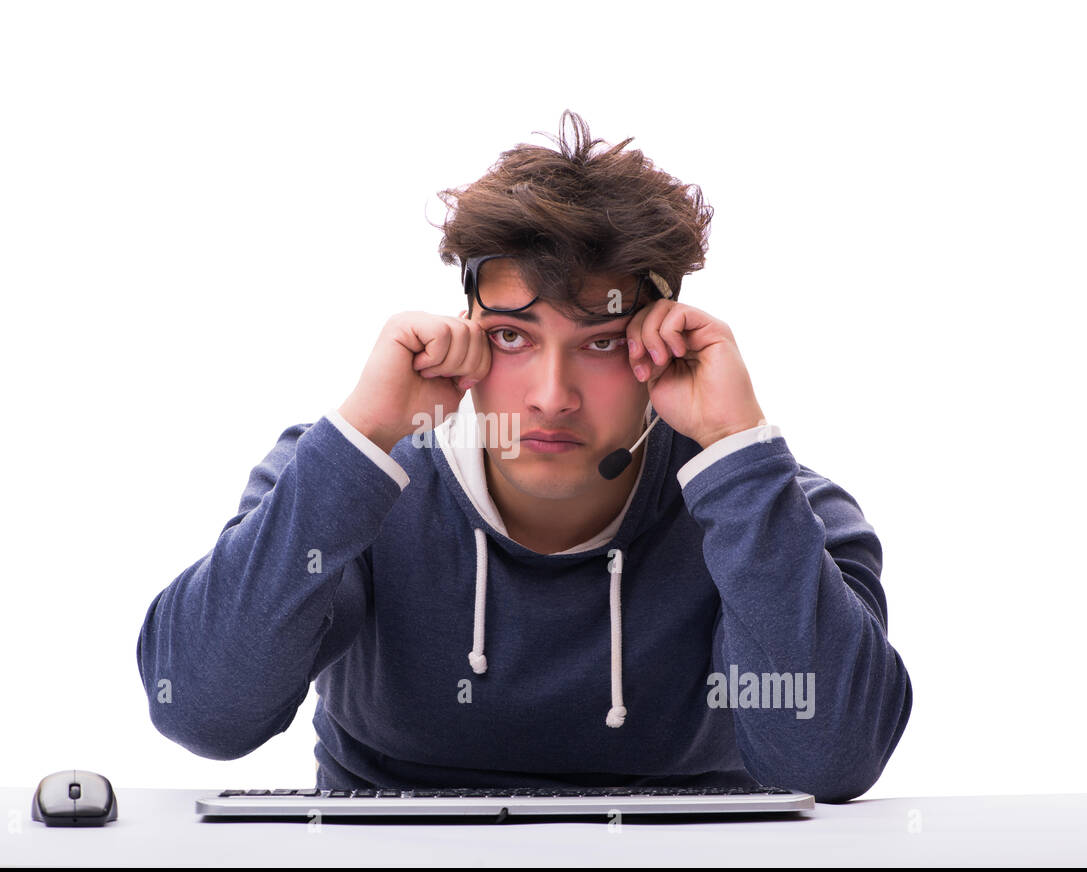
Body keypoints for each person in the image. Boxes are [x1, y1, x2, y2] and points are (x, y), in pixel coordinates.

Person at [135, 111, 912, 803]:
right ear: (466, 329)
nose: (552, 395)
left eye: (601, 343)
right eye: (513, 336)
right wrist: (364, 434)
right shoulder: (349, 474)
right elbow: (203, 710)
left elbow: (830, 760)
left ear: (660, 341)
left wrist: (739, 454)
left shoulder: (773, 506)